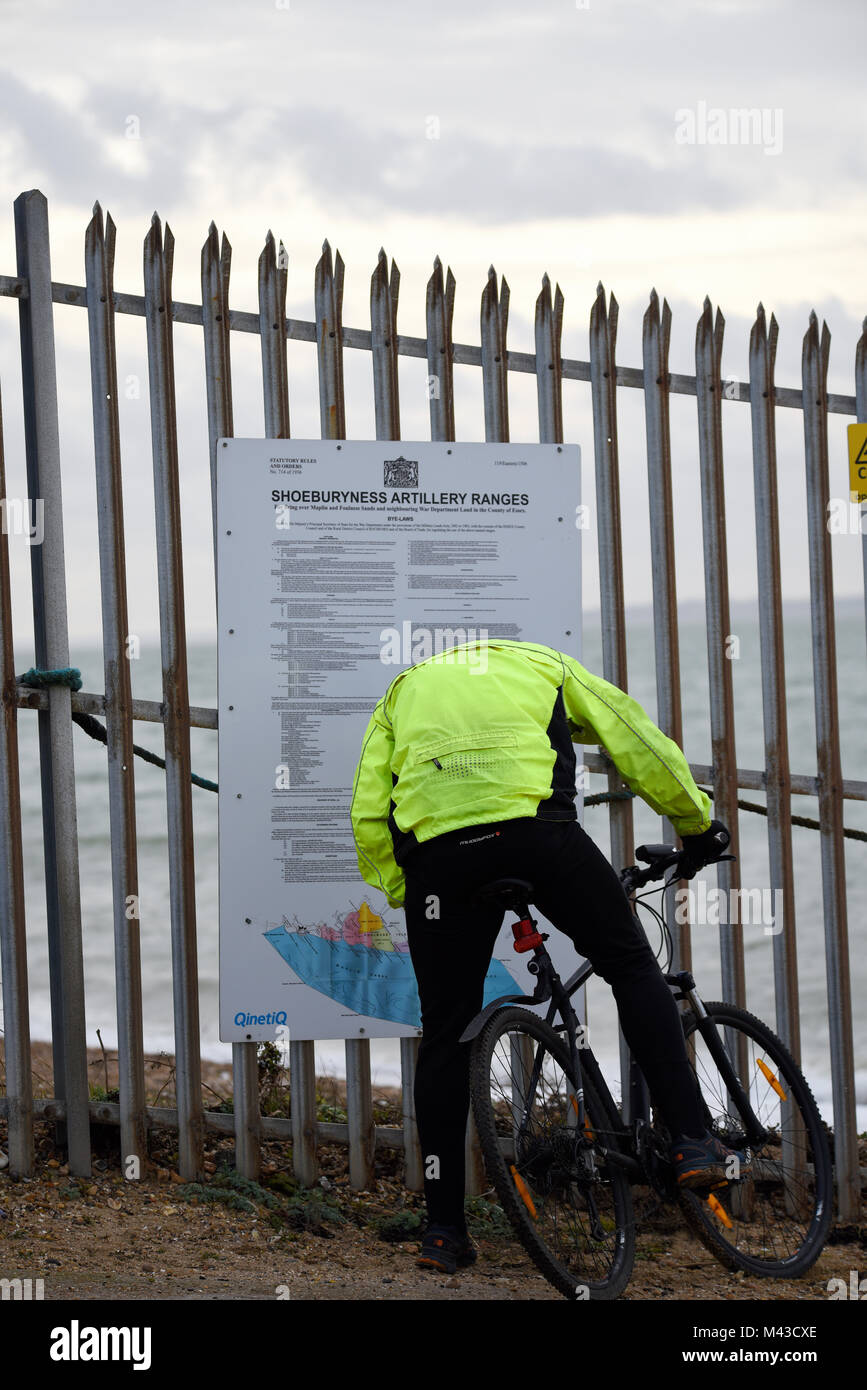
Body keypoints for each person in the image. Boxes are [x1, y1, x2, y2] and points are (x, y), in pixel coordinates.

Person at [350, 637, 749, 1275]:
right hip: (539, 836)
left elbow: (369, 811)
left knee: (446, 1034)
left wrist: (410, 890)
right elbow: (634, 740)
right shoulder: (543, 665)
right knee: (629, 965)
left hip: (441, 863)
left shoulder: (403, 690)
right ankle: (693, 1141)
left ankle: (444, 1233)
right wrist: (698, 823)